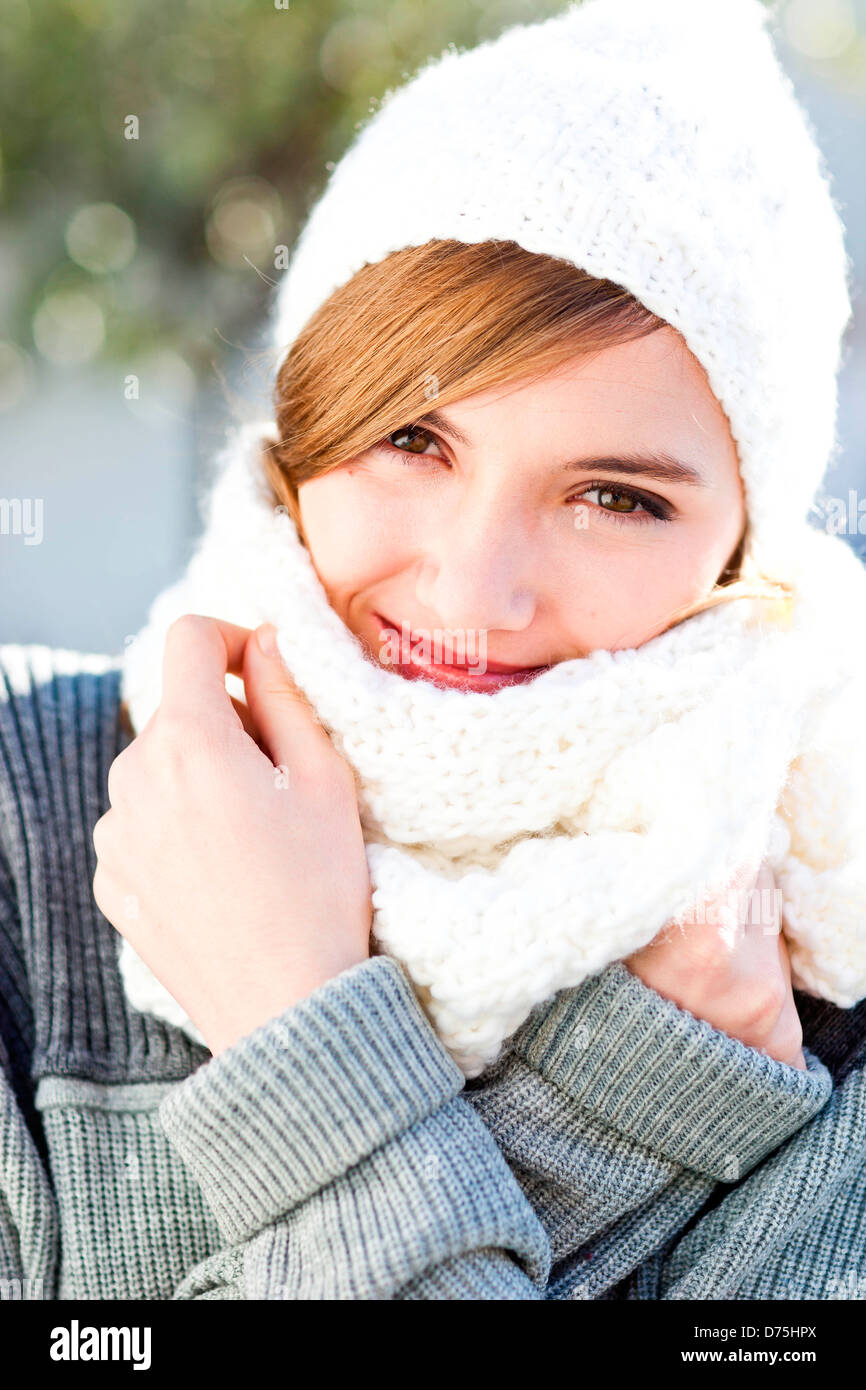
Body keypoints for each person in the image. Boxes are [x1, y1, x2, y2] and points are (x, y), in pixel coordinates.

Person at [1, 0, 864, 1301]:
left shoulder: (813, 941)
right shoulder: (21, 824)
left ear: (743, 546)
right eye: (411, 439)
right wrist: (613, 1136)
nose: (473, 585)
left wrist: (298, 1035)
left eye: (614, 496)